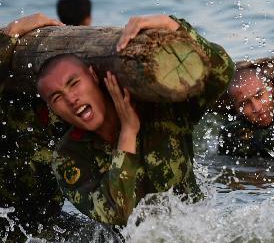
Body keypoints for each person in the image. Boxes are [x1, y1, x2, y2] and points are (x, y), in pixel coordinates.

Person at [37, 14, 234, 226]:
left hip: (198, 231)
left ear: (93, 77)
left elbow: (222, 73)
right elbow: (116, 213)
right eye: (57, 97)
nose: (71, 99)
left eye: (74, 83)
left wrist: (175, 26)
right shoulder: (69, 156)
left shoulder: (158, 108)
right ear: (53, 109)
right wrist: (128, 133)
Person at [0, 13, 68, 243]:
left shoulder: (73, 123)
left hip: (44, 229)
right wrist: (10, 35)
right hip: (9, 221)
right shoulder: (11, 106)